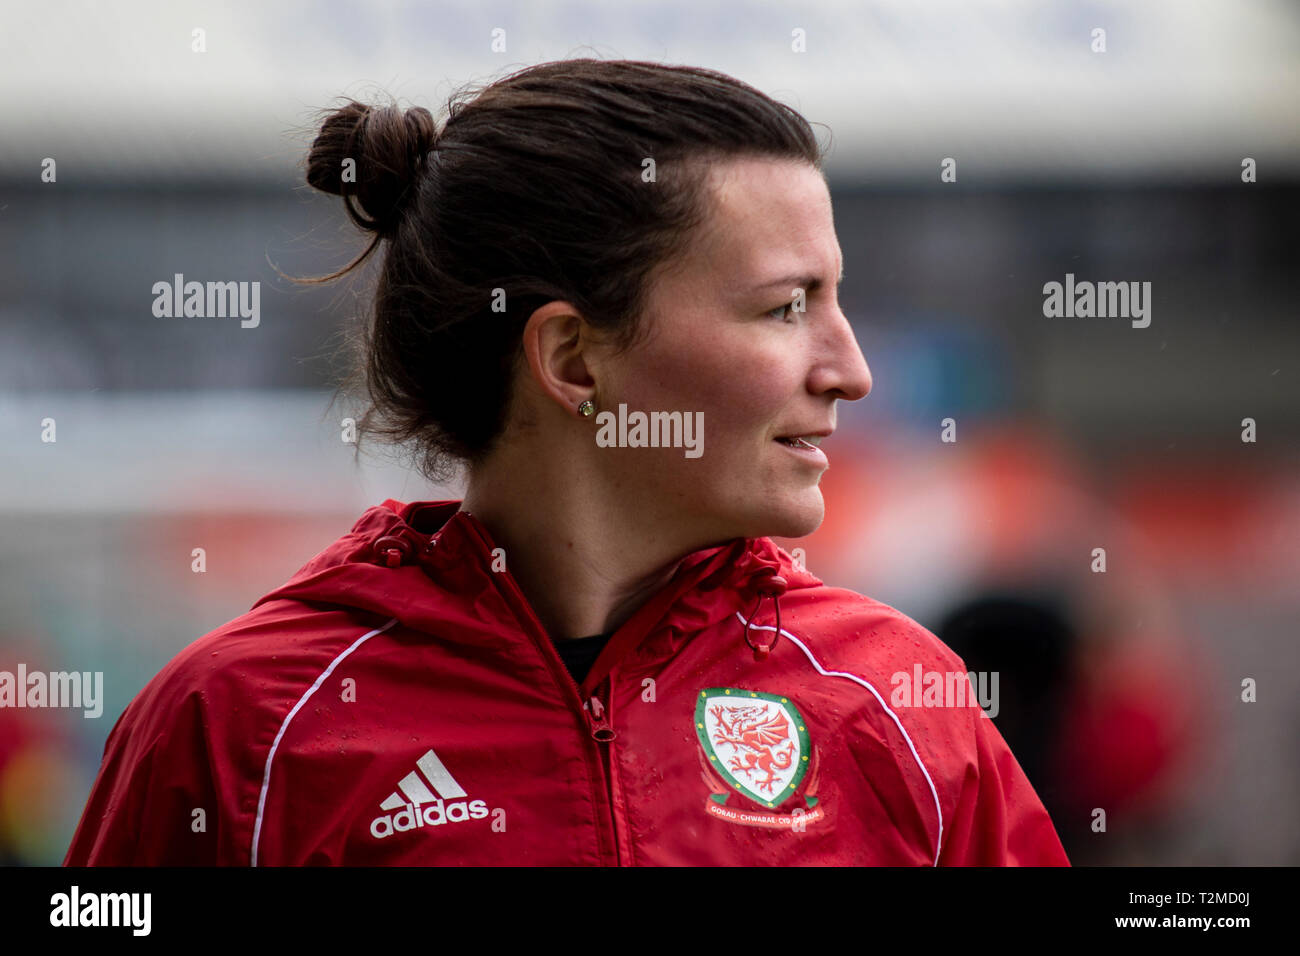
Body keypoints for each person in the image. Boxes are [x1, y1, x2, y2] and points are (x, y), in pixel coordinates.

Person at [64, 59, 1068, 865]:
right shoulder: (237, 725)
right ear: (572, 358)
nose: (850, 371)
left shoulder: (899, 702)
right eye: (784, 307)